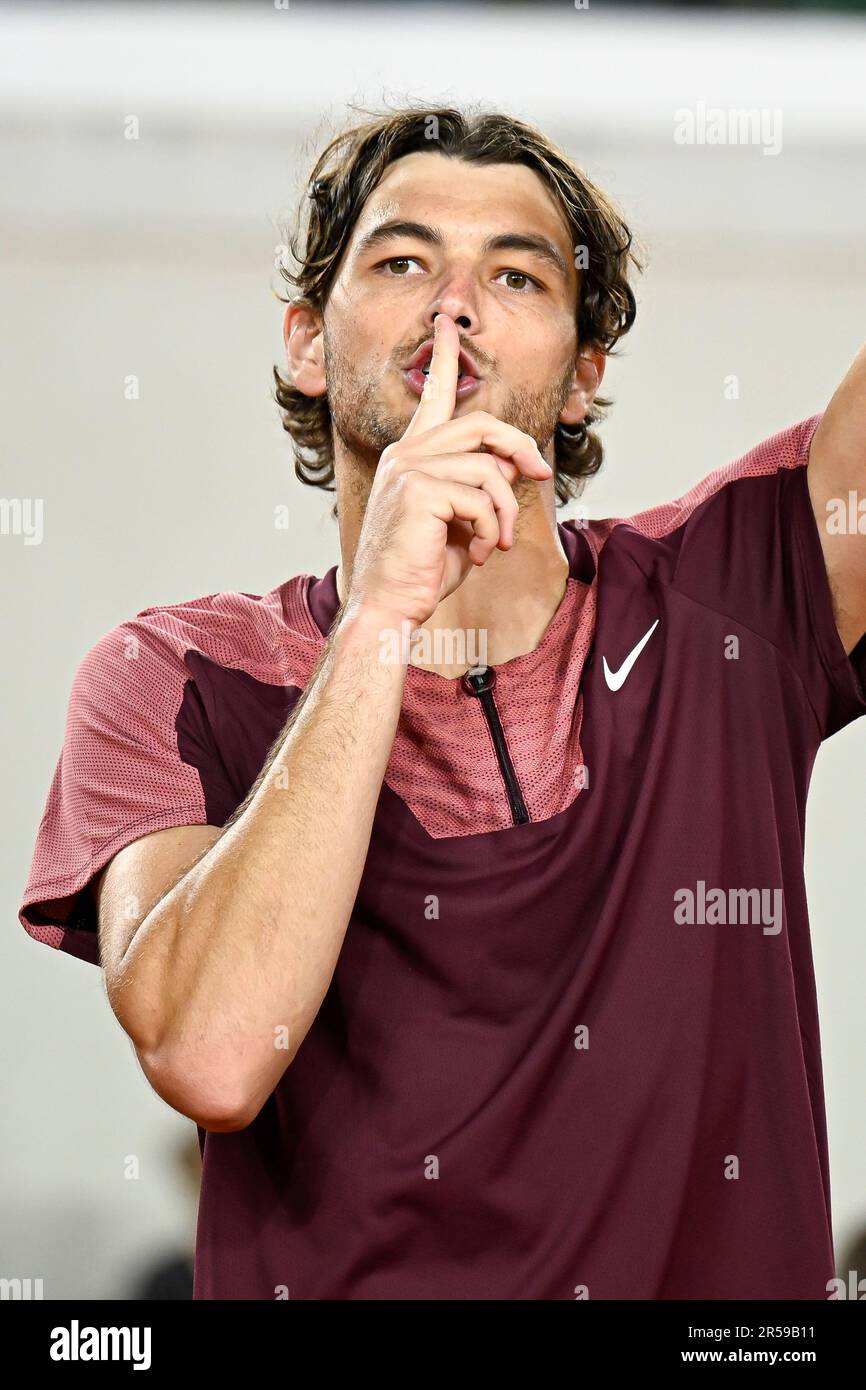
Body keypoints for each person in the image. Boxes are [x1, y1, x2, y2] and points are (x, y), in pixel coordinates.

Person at [18, 105, 866, 1300]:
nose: (456, 304)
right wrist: (377, 618)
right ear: (309, 343)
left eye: (515, 273)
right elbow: (211, 1052)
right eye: (404, 260)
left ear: (580, 379)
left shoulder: (739, 588)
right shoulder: (172, 674)